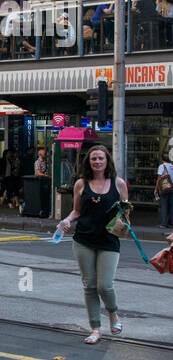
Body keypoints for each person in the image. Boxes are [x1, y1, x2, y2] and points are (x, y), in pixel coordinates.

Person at [56, 144, 128, 344]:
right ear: (89, 162)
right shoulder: (81, 184)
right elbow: (76, 211)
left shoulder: (118, 184)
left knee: (105, 285)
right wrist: (68, 220)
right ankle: (95, 328)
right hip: (84, 240)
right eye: (93, 159)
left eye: (100, 158)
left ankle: (113, 314)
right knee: (89, 285)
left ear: (107, 161)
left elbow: (126, 211)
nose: (97, 162)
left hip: (108, 240)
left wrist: (125, 218)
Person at [155, 150, 173, 229]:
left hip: (165, 188)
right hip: (172, 188)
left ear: (162, 159)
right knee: (172, 206)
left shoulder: (162, 166)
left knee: (164, 206)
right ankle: (171, 222)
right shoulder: (172, 166)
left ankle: (164, 223)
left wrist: (156, 189)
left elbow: (159, 179)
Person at [34, 145, 51, 217]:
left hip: (45, 181)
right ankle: (23, 206)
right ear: (40, 154)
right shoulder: (38, 162)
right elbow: (38, 172)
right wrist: (45, 175)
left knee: (45, 196)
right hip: (40, 181)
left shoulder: (46, 162)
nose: (46, 154)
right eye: (44, 153)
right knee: (39, 196)